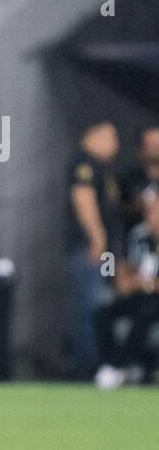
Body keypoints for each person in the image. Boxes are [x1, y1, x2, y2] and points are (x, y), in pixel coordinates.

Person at [65, 121, 122, 378]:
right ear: (92, 135)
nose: (115, 144)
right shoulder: (84, 163)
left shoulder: (103, 168)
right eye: (110, 137)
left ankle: (104, 361)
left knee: (104, 300)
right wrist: (97, 237)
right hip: (90, 249)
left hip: (107, 251)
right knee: (92, 303)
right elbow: (83, 200)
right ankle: (89, 365)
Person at [93, 185, 159, 388]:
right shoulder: (139, 235)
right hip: (142, 294)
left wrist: (151, 284)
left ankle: (126, 364)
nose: (151, 215)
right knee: (102, 313)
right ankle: (111, 365)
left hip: (154, 297)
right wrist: (126, 280)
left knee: (145, 313)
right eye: (149, 211)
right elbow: (125, 266)